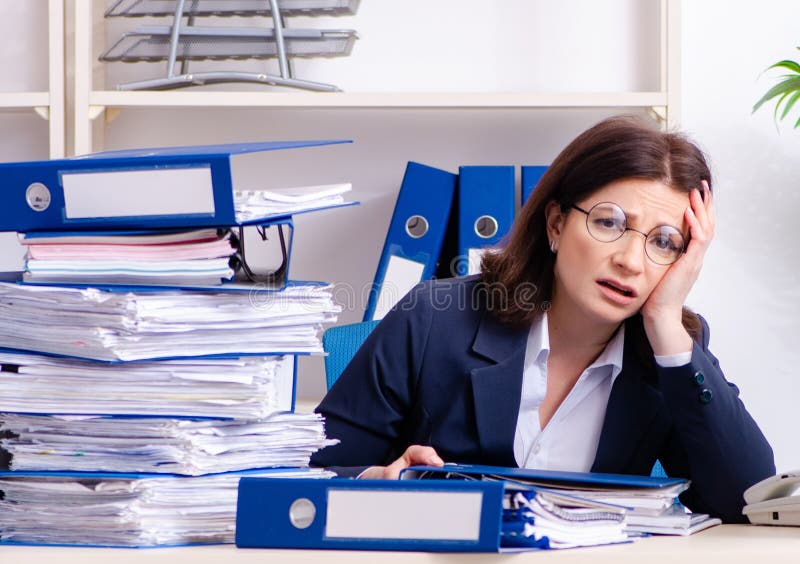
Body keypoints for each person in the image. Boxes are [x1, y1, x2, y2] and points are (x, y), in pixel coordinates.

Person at [311, 115, 775, 524]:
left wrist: (668, 324)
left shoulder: (669, 355)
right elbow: (310, 472)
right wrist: (381, 478)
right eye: (609, 223)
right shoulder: (434, 317)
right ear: (555, 223)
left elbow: (745, 501)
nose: (632, 261)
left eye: (665, 242)